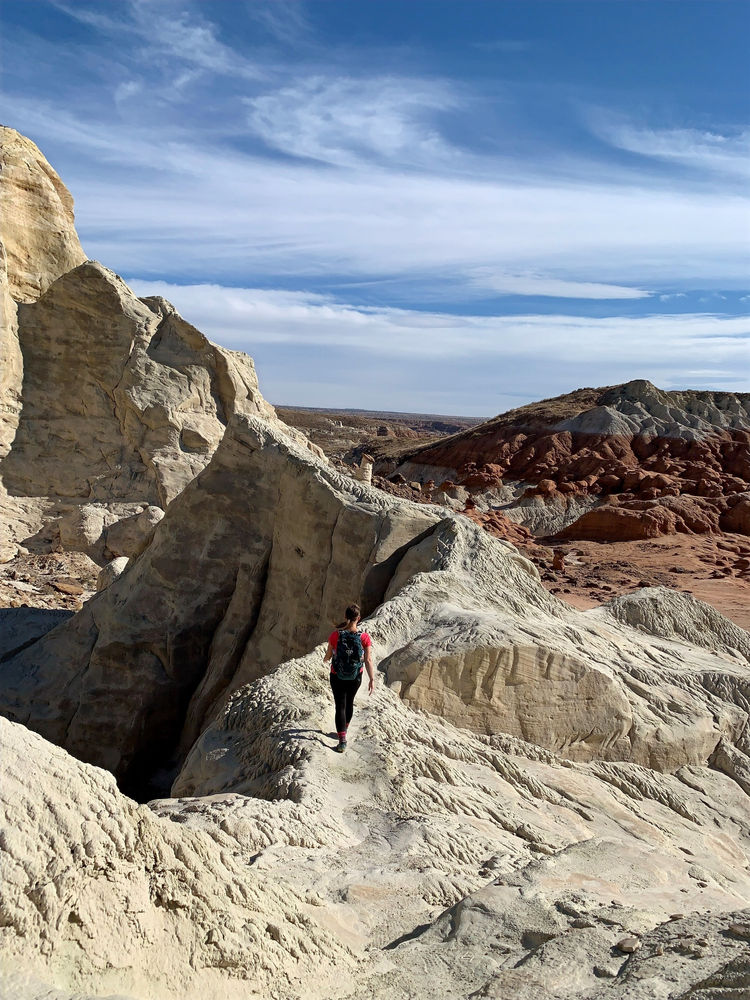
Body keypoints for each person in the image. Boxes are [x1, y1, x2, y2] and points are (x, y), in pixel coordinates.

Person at [324, 602, 375, 753]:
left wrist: (326, 659)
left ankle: (342, 740)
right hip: (355, 677)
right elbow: (368, 660)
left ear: (345, 617)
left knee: (340, 705)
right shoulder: (364, 637)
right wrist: (372, 679)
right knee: (349, 702)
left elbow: (328, 656)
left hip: (336, 675)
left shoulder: (335, 635)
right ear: (358, 618)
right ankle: (344, 730)